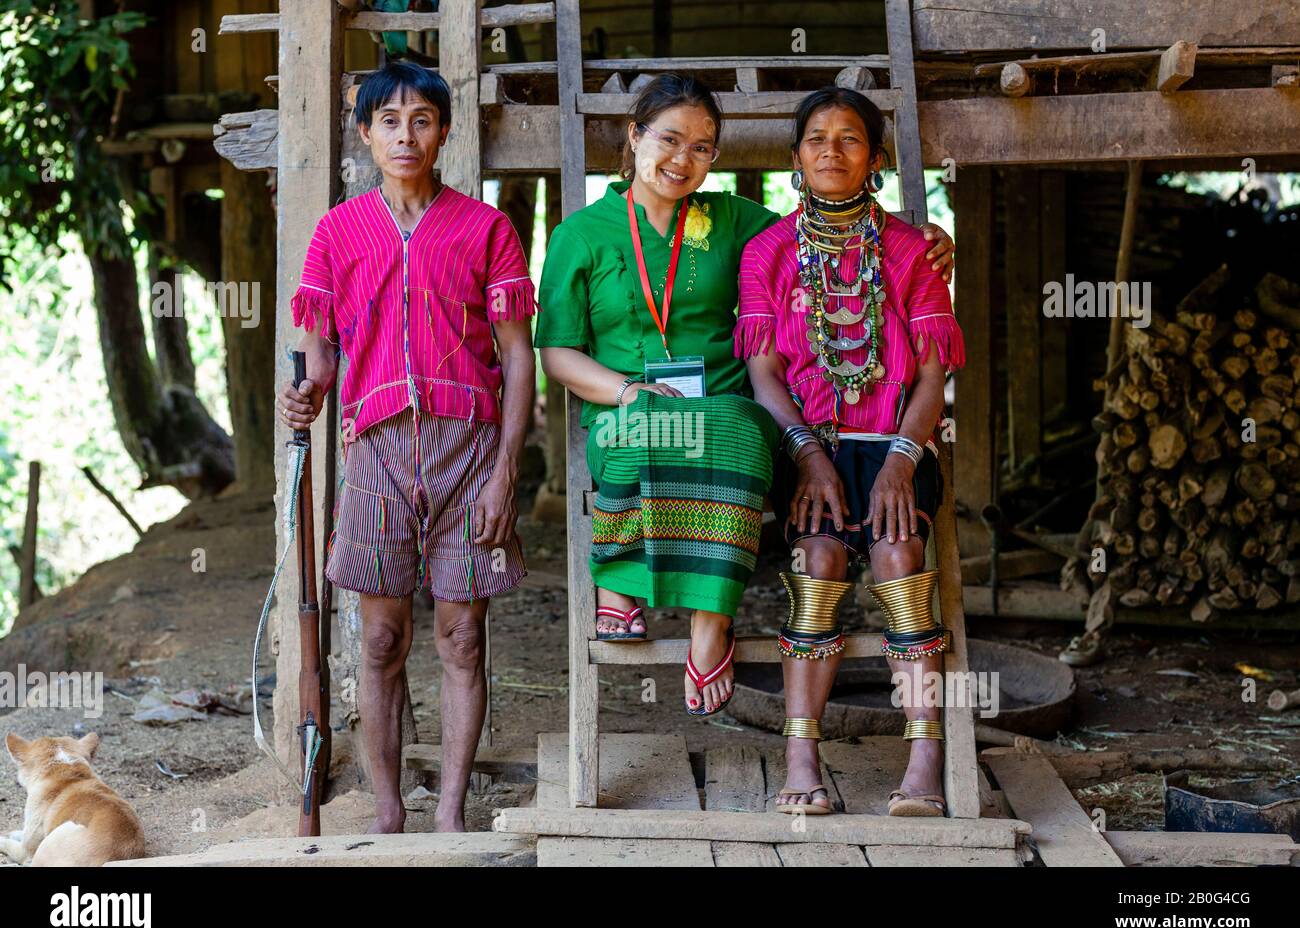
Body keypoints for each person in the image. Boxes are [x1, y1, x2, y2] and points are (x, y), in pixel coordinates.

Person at [536, 74, 955, 718]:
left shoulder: (730, 219)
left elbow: (829, 221)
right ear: (635, 136)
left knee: (735, 426)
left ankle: (710, 622)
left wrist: (921, 236)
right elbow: (557, 352)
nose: (683, 159)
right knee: (645, 426)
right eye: (669, 139)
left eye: (702, 148)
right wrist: (627, 390)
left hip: (727, 408)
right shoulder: (581, 234)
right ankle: (619, 574)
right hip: (626, 405)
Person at [276, 62, 535, 833]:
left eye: (422, 119)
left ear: (444, 131)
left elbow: (518, 354)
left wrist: (506, 471)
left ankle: (450, 815)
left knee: (464, 636)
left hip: (469, 452)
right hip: (378, 452)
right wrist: (305, 391)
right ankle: (388, 815)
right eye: (388, 120)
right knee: (383, 639)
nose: (405, 135)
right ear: (364, 133)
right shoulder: (338, 232)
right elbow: (321, 351)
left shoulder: (485, 228)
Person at [739, 87, 966, 816]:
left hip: (898, 442)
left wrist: (902, 460)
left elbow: (931, 374)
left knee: (901, 558)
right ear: (795, 155)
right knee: (818, 562)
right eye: (816, 138)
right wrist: (807, 454)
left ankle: (925, 754)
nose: (830, 151)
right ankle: (801, 754)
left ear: (875, 158)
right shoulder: (767, 252)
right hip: (809, 444)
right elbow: (765, 375)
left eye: (849, 138)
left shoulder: (911, 249)